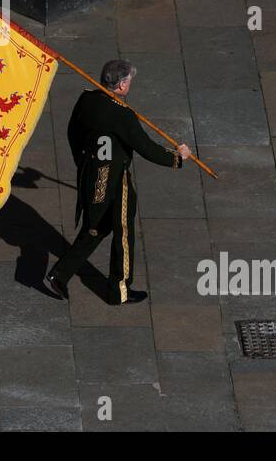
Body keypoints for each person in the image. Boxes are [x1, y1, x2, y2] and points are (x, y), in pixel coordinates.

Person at [45, 60, 192, 305]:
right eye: (129, 82)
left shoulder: (86, 99)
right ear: (121, 85)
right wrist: (177, 157)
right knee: (123, 234)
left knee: (96, 228)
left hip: (91, 176)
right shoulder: (123, 115)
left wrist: (82, 160)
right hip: (115, 182)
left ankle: (59, 274)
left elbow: (73, 132)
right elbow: (147, 149)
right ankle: (119, 290)